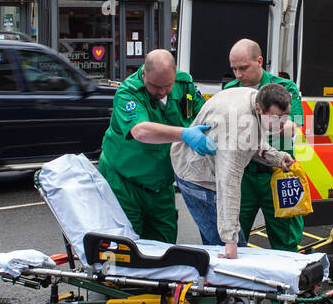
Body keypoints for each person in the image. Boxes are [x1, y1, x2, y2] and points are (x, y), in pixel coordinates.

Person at [170, 82, 295, 259]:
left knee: (221, 247)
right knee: (233, 252)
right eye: (275, 118)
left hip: (210, 164)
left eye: (285, 116)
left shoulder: (257, 98)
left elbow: (254, 139)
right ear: (259, 108)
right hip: (197, 177)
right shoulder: (236, 128)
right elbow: (228, 184)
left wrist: (276, 157)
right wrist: (230, 240)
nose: (282, 124)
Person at [97, 48, 211, 243]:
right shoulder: (129, 92)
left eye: (167, 86)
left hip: (161, 185)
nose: (161, 92)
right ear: (143, 74)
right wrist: (184, 134)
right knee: (126, 246)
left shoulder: (185, 85)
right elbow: (141, 131)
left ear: (174, 75)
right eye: (154, 86)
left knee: (164, 246)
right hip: (125, 183)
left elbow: (206, 113)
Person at [221, 39, 304, 252]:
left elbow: (293, 127)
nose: (238, 75)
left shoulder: (284, 88)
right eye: (234, 69)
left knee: (285, 241)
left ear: (259, 61)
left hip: (278, 174)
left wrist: (262, 124)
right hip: (244, 175)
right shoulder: (230, 90)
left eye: (243, 68)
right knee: (232, 239)